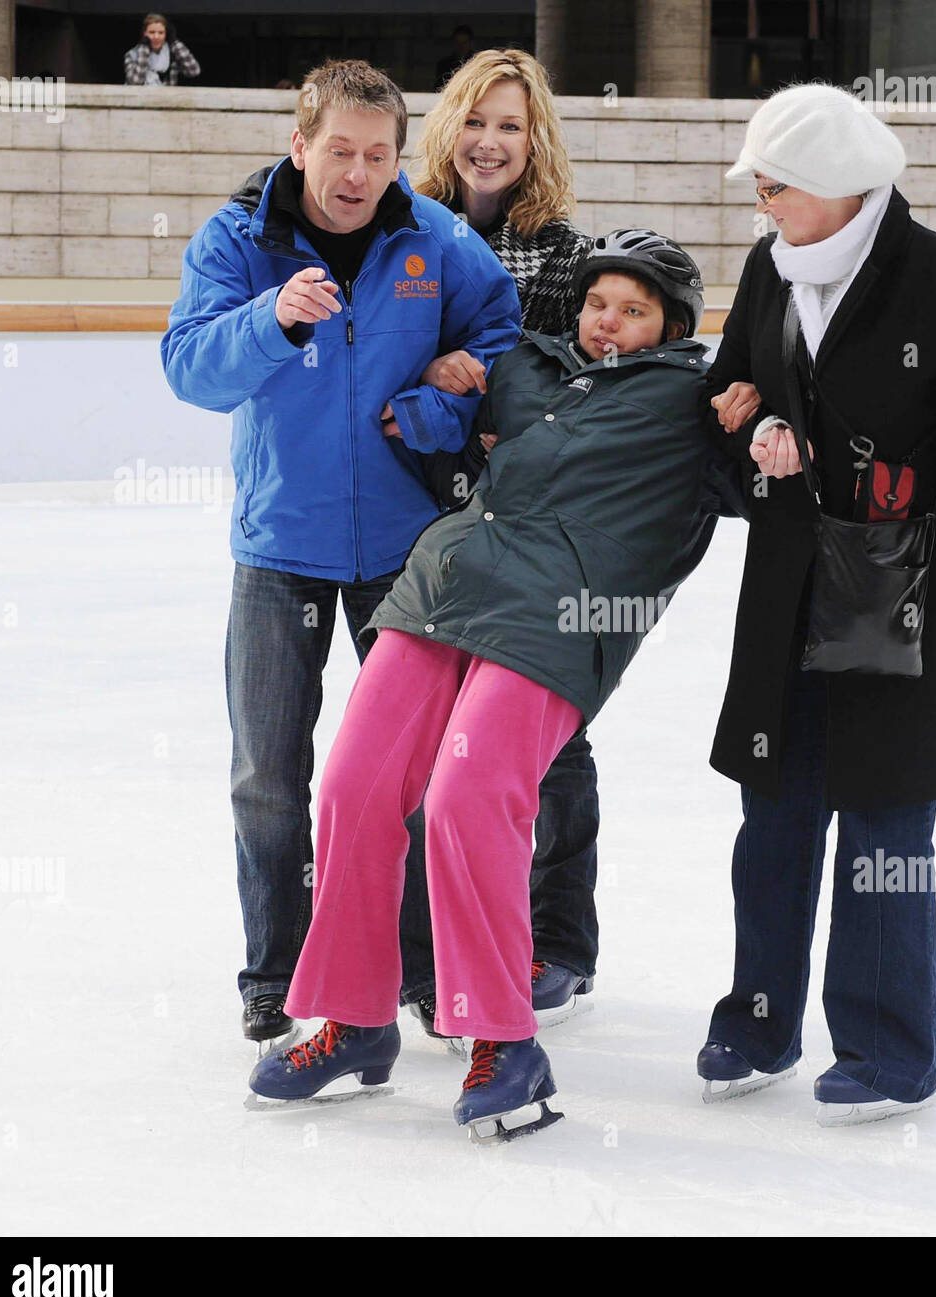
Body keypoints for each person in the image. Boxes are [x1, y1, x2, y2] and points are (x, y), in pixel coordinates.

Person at [248, 231, 733, 1141]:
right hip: (444, 584)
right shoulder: (526, 367)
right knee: (355, 783)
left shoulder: (692, 401)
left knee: (468, 800)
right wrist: (444, 383)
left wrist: (765, 418)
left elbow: (762, 484)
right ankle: (355, 1020)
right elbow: (432, 422)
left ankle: (503, 1040)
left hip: (558, 617)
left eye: (635, 311)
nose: (609, 324)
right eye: (599, 304)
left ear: (672, 325)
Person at [160, 60, 520, 1048]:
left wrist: (453, 387)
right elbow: (188, 367)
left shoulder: (434, 237)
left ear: (397, 158)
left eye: (376, 154)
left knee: (407, 773)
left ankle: (417, 968)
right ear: (299, 145)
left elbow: (500, 327)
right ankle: (276, 972)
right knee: (268, 776)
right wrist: (270, 319)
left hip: (406, 556)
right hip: (280, 550)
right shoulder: (239, 239)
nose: (356, 173)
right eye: (339, 151)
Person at [702, 83, 936, 1125]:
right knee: (774, 814)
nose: (762, 201)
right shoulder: (765, 267)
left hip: (909, 587)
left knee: (888, 822)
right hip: (791, 581)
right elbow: (726, 397)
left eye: (777, 183)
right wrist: (751, 435)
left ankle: (887, 1051)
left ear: (841, 187)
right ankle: (756, 1021)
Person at [399, 48, 598, 1049]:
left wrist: (484, 378)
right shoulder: (408, 229)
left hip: (530, 514)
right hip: (422, 507)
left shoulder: (563, 251)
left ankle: (558, 935)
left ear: (536, 140)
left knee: (542, 732)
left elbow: (571, 377)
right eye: (476, 120)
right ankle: (437, 945)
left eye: (512, 126)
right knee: (436, 735)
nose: (490, 141)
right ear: (448, 126)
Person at [124, 13, 200, 86]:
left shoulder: (172, 52)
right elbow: (135, 82)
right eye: (152, 32)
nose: (156, 37)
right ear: (145, 33)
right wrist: (144, 50)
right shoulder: (131, 55)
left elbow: (193, 71)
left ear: (166, 34)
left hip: (166, 97)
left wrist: (175, 43)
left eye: (161, 33)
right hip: (140, 98)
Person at [435, 25, 477, 91]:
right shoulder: (444, 65)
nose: (461, 46)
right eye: (458, 43)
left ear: (470, 43)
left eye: (464, 43)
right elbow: (439, 88)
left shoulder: (478, 63)